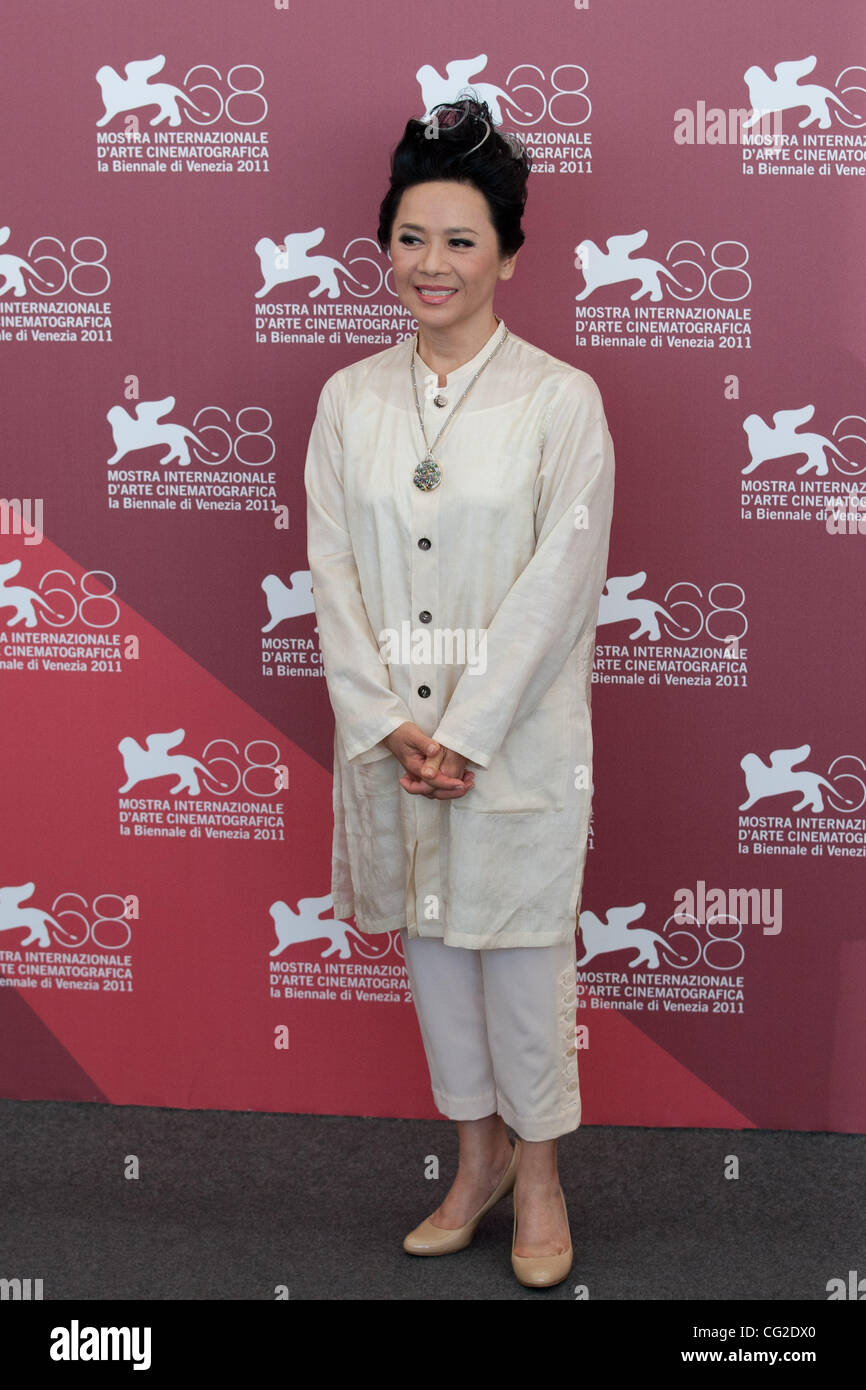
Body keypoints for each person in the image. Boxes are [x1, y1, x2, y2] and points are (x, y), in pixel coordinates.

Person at [304, 97, 615, 1288]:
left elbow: (557, 584)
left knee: (523, 963)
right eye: (410, 239)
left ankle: (538, 1174)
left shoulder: (558, 401)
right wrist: (387, 723)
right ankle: (472, 1160)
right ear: (385, 246)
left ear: (509, 256)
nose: (431, 266)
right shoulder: (349, 400)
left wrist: (468, 731)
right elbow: (329, 569)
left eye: (460, 241)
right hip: (395, 737)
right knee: (434, 955)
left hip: (513, 743)